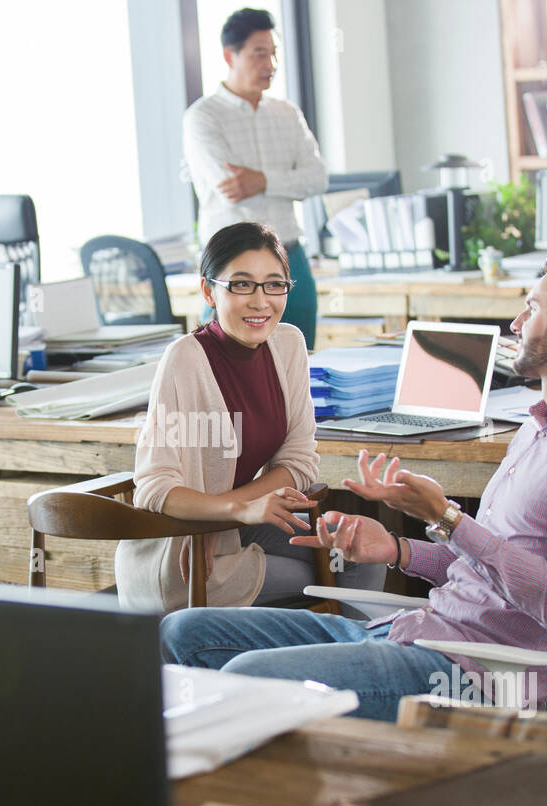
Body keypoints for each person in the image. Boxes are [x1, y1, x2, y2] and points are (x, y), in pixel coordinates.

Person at [161, 246, 547, 719]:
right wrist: (396, 549)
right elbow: (484, 569)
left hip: (473, 672)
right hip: (415, 632)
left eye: (532, 307)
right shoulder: (538, 430)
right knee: (183, 631)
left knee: (248, 678)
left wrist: (446, 518)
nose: (516, 323)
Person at [114, 222, 384, 613]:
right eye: (241, 285)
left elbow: (299, 462)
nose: (261, 302)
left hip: (236, 526)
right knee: (317, 577)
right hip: (180, 552)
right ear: (208, 291)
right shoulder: (186, 360)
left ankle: (353, 653)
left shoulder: (288, 345)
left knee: (361, 550)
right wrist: (227, 514)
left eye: (274, 285)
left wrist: (231, 512)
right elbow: (155, 488)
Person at [182, 7, 328, 350]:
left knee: (300, 356)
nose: (271, 64)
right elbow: (231, 187)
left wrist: (262, 181)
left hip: (290, 256)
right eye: (259, 54)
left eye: (274, 54)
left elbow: (318, 179)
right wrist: (286, 181)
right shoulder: (203, 117)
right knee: (227, 362)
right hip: (232, 264)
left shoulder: (287, 113)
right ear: (229, 56)